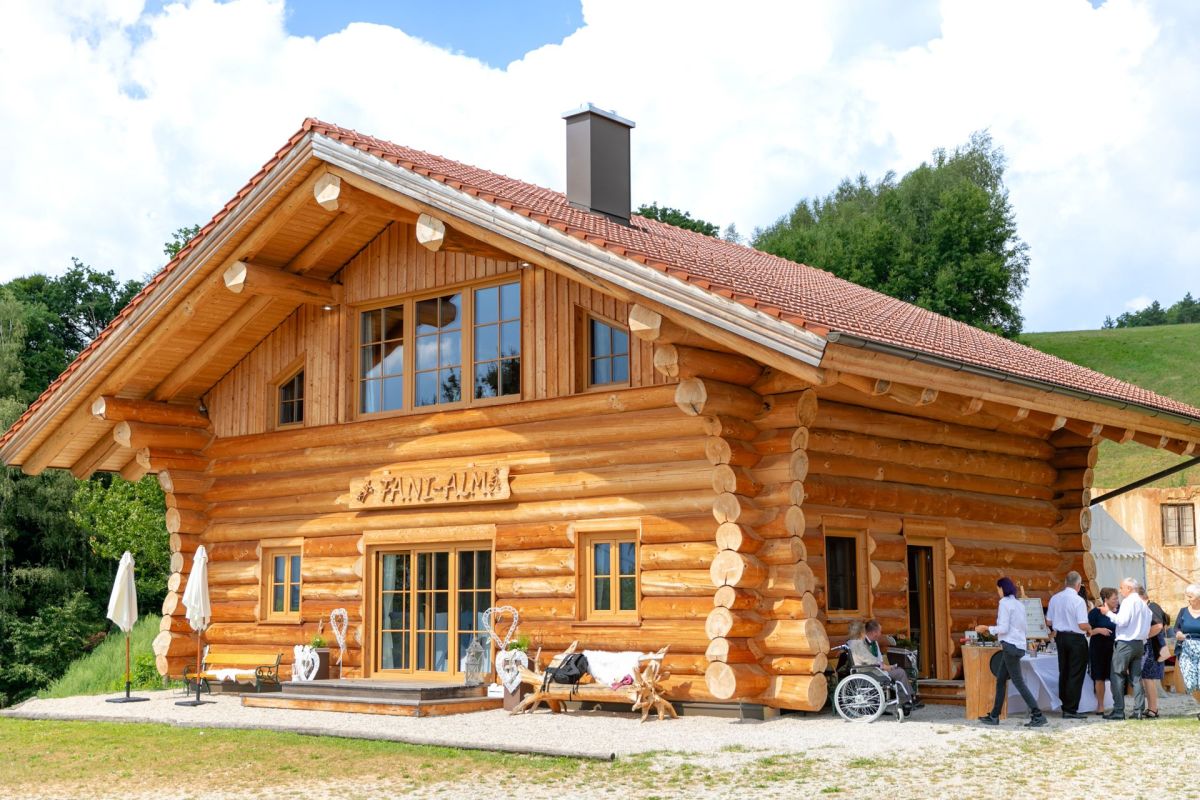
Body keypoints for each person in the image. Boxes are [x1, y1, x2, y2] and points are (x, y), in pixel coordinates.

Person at [976, 577, 1046, 728]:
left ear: (1002, 588)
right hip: (1019, 645)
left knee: (1018, 682)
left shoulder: (1004, 603)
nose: (998, 592)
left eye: (998, 589)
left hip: (1010, 646)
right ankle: (994, 715)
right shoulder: (1019, 604)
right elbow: (1024, 627)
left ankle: (1038, 714)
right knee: (1001, 680)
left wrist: (987, 628)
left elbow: (1003, 628)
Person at [1104, 577, 1152, 720]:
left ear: (1129, 588)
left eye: (1122, 588)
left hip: (1125, 643)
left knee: (1117, 676)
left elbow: (1122, 621)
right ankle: (1138, 710)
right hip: (1139, 644)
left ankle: (1119, 710)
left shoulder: (1128, 602)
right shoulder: (1144, 604)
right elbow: (1147, 625)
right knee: (1136, 678)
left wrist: (1107, 612)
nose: (1120, 591)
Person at [1045, 571, 1091, 719]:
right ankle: (1071, 709)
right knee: (1075, 673)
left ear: (1066, 583)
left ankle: (1065, 704)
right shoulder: (1078, 601)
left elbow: (1049, 622)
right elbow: (1082, 624)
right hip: (1076, 638)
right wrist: (1090, 628)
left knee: (1064, 671)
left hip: (1061, 637)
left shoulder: (1055, 598)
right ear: (1078, 585)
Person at [848, 619, 919, 712]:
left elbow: (875, 659)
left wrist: (886, 666)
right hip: (868, 672)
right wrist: (886, 667)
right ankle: (907, 701)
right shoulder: (857, 644)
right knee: (900, 672)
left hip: (873, 670)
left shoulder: (858, 643)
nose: (864, 633)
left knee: (898, 670)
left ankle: (908, 699)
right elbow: (869, 660)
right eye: (863, 631)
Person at [1137, 586, 1167, 719]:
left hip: (1153, 648)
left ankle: (1153, 709)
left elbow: (1158, 626)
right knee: (1146, 678)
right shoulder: (1149, 606)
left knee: (1148, 678)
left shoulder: (1152, 607)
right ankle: (1151, 707)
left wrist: (1144, 636)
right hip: (1151, 646)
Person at [1088, 587, 1117, 715]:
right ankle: (1100, 706)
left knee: (1115, 677)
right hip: (1098, 648)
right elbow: (1087, 632)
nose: (1117, 601)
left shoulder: (1121, 611)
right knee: (1099, 678)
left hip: (1115, 648)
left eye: (1117, 598)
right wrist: (1099, 630)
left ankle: (1117, 704)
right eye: (1114, 599)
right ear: (1105, 599)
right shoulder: (1095, 613)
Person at [1174, 583, 1200, 719]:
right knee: (1191, 683)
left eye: (1190, 596)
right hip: (1186, 649)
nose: (1188, 599)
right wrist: (1178, 633)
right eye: (1187, 596)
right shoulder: (1183, 611)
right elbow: (1176, 627)